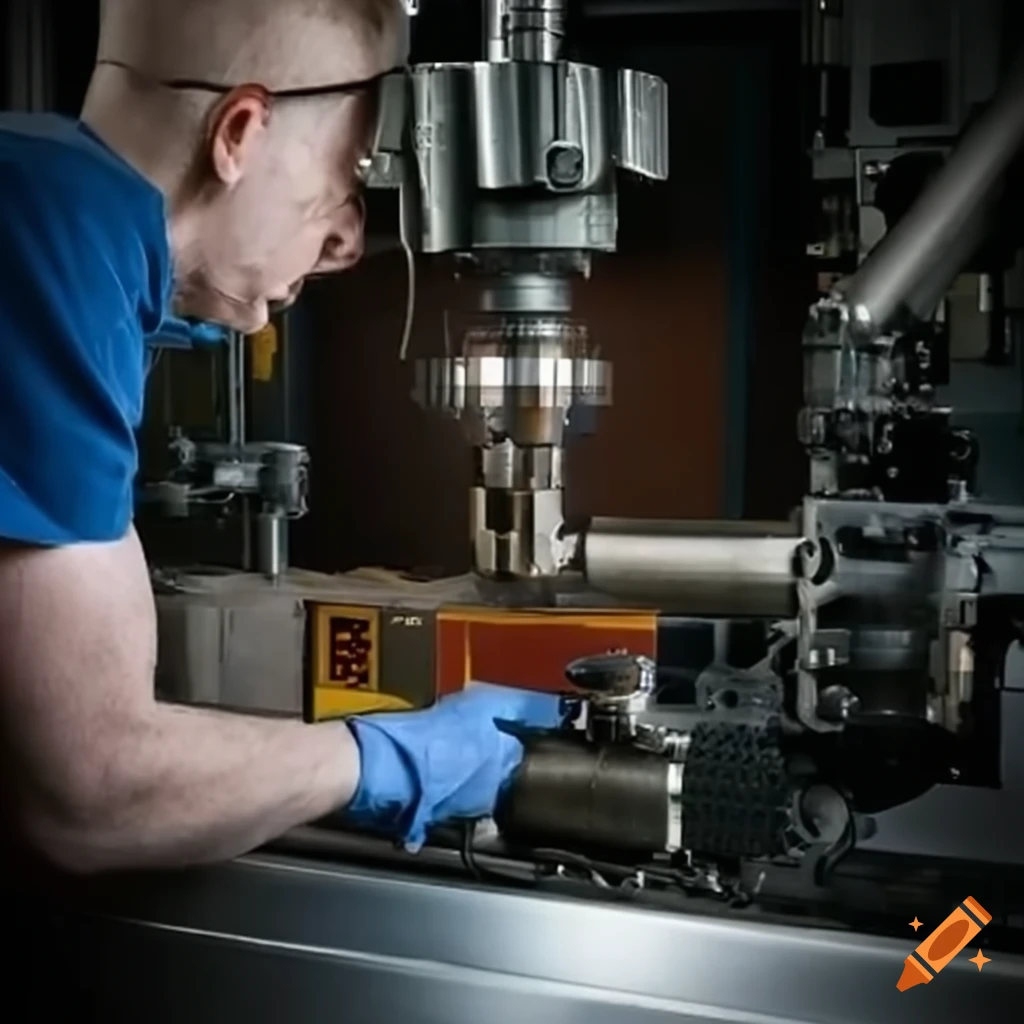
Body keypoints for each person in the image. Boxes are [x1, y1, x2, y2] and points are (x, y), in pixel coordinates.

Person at [0, 0, 561, 874]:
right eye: (352, 167)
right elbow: (91, 789)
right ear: (241, 133)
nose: (345, 239)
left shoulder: (43, 198)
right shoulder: (49, 254)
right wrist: (385, 758)